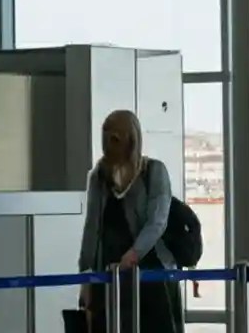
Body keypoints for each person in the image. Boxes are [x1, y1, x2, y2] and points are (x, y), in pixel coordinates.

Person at [77, 110, 183, 333]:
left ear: (130, 138)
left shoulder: (154, 172)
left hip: (150, 276)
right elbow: (92, 228)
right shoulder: (99, 176)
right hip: (108, 276)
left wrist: (132, 255)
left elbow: (157, 221)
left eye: (115, 138)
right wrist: (86, 277)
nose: (110, 144)